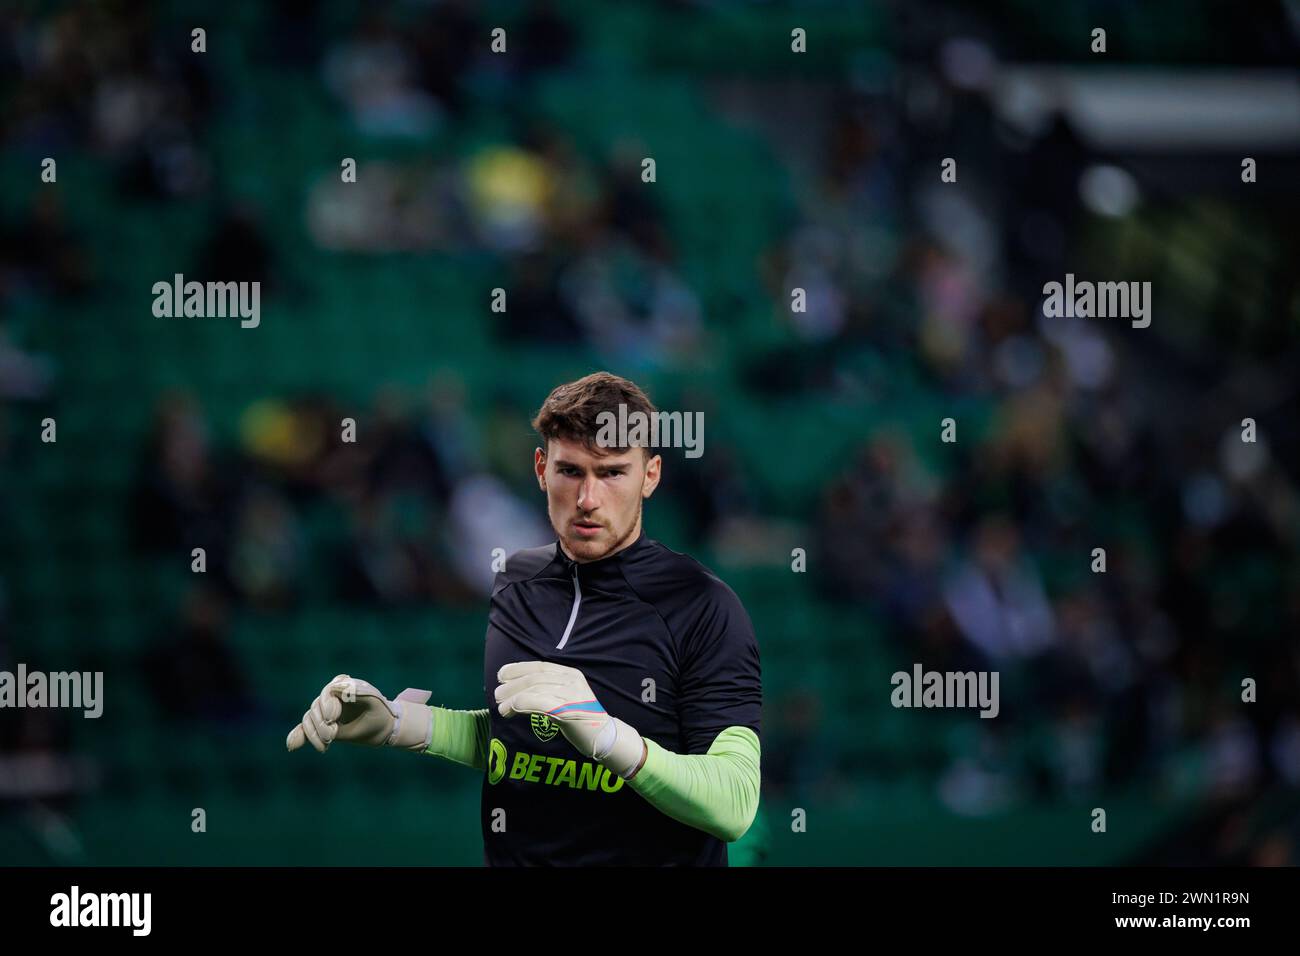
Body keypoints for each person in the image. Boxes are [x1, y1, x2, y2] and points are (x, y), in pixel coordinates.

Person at [287, 372, 763, 865]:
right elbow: (520, 744)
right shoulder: (517, 582)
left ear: (651, 474)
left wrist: (611, 739)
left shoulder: (703, 605)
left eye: (613, 473)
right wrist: (403, 723)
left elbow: (734, 804)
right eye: (571, 471)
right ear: (541, 468)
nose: (588, 500)